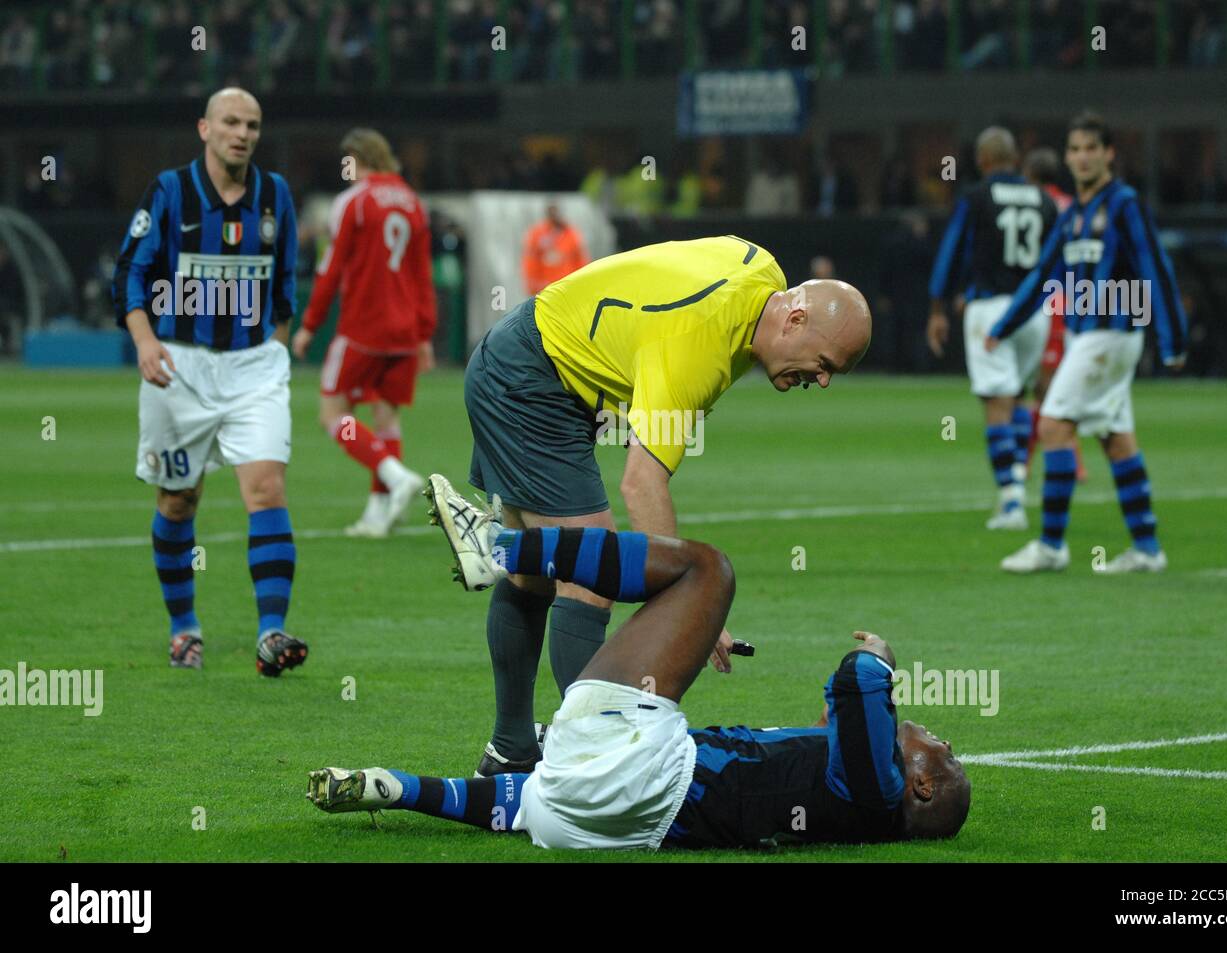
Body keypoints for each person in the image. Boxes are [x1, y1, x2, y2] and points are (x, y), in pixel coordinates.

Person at [438, 236, 872, 778]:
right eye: (826, 362)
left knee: (536, 577)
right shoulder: (700, 348)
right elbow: (641, 485)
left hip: (534, 356)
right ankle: (592, 765)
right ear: (795, 318)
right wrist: (696, 602)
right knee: (589, 576)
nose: (824, 380)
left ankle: (510, 750)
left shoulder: (761, 268)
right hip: (532, 382)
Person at [307, 497, 970, 850]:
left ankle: (501, 547)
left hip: (649, 769)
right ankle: (391, 787)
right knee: (531, 800)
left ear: (920, 780)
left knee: (707, 571)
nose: (938, 735)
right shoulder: (857, 799)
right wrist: (402, 791)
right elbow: (847, 717)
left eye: (941, 748)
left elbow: (859, 678)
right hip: (614, 825)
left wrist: (882, 656)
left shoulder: (879, 791)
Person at [112, 87, 306, 676]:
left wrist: (273, 348)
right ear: (204, 128)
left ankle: (271, 632)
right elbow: (130, 274)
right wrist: (145, 342)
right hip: (179, 366)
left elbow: (285, 286)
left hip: (253, 367)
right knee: (178, 499)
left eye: (251, 124)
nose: (241, 133)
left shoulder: (275, 196)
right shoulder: (169, 191)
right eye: (230, 122)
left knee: (266, 489)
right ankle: (183, 629)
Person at [988, 112, 1188, 574]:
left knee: (1055, 425)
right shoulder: (1074, 213)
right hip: (1090, 334)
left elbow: (1156, 267)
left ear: (1109, 154)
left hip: (1112, 332)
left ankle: (1052, 545)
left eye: (1090, 148)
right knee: (1117, 440)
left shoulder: (1124, 204)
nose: (1081, 157)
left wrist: (1172, 338)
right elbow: (1043, 275)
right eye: (1074, 149)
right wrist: (1004, 324)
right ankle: (1147, 549)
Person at [292, 128, 435, 538]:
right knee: (386, 417)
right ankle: (377, 512)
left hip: (363, 327)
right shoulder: (413, 202)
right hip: (405, 329)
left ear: (357, 157)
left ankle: (393, 474)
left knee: (333, 415)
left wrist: (309, 325)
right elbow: (421, 274)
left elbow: (330, 268)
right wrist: (424, 332)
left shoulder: (354, 202)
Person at [927, 127, 1059, 530]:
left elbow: (952, 250)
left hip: (991, 309)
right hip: (1034, 311)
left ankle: (1011, 501)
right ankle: (1018, 485)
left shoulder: (976, 197)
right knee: (1020, 398)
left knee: (996, 404)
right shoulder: (1044, 199)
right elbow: (1055, 258)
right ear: (1016, 159)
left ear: (983, 161)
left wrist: (937, 305)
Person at [1022, 146, 1086, 482]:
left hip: (1042, 302)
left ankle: (1027, 463)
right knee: (1059, 386)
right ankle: (1072, 459)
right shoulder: (1073, 206)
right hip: (1073, 300)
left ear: (1029, 175)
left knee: (1040, 390)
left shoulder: (1030, 203)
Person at [521, 202, 589, 296]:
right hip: (544, 286)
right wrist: (532, 284)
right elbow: (530, 260)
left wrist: (582, 281)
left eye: (556, 213)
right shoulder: (538, 233)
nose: (554, 216)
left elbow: (580, 259)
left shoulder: (571, 234)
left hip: (566, 284)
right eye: (551, 213)